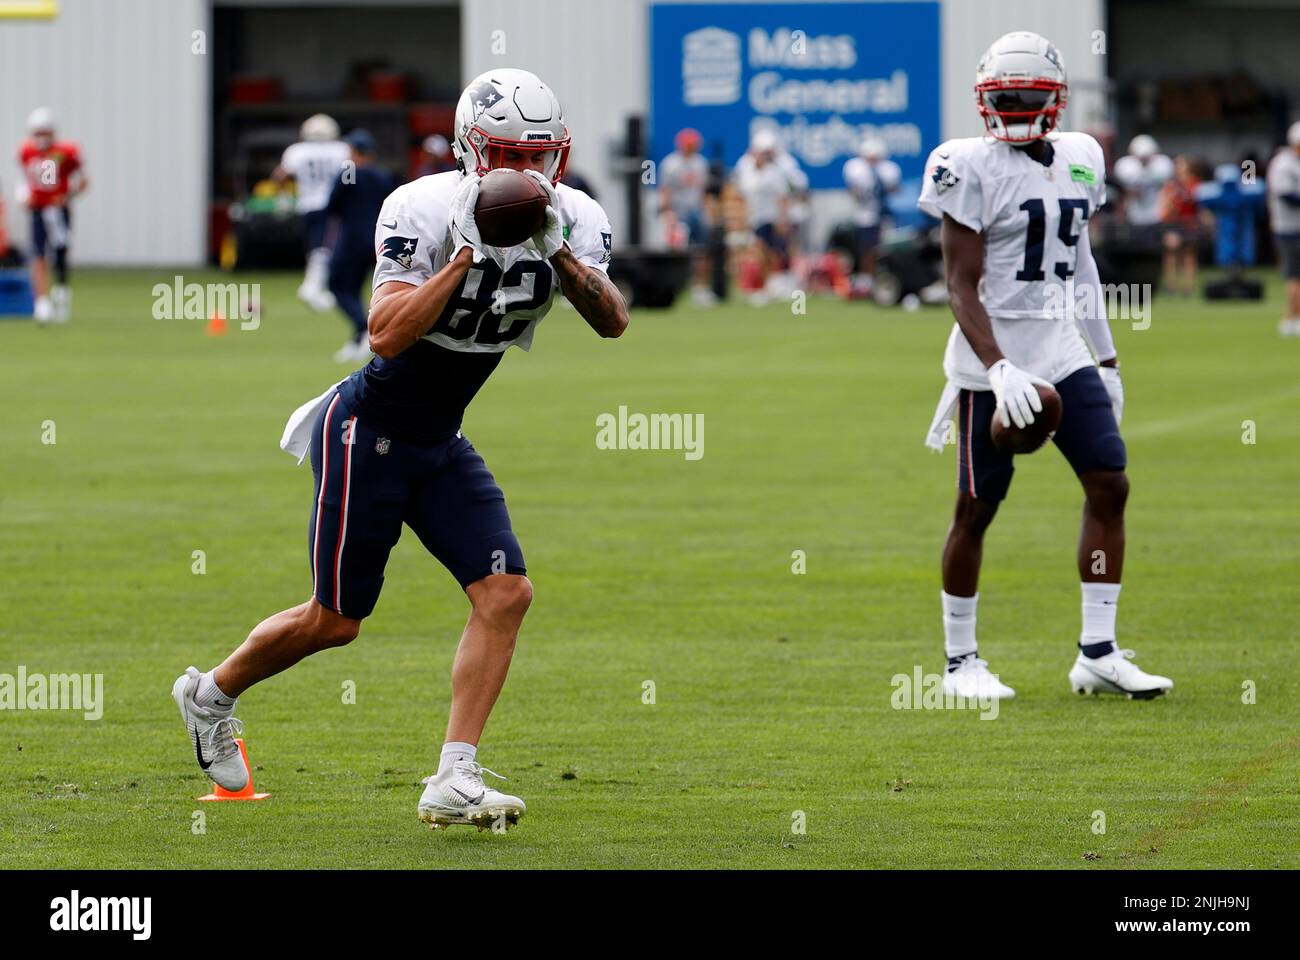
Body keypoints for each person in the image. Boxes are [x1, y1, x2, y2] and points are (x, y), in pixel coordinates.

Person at [172, 69, 628, 831]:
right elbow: (384, 334)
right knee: (335, 621)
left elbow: (612, 322)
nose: (528, 173)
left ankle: (454, 775)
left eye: (539, 155)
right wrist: (464, 256)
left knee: (506, 592)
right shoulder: (421, 207)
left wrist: (562, 258)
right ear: (472, 150)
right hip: (368, 431)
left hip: (441, 437)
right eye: (510, 155)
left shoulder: (574, 216)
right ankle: (210, 695)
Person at [918, 31, 1172, 702]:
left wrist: (1108, 357)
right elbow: (960, 286)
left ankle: (1097, 651)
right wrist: (998, 367)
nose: (1017, 106)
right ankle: (958, 663)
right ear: (983, 102)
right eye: (1006, 97)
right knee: (976, 509)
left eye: (1029, 95)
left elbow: (1080, 265)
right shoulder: (964, 164)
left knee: (1110, 484)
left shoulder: (1082, 157)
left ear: (1056, 101)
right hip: (987, 361)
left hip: (1060, 349)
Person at [325, 129, 395, 363]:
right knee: (357, 289)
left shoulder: (349, 172)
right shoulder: (381, 176)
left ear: (355, 151)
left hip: (351, 240)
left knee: (337, 285)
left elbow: (332, 204)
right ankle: (358, 337)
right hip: (377, 239)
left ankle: (363, 328)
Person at [276, 114, 351, 311]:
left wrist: (283, 197)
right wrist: (348, 195)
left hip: (307, 205)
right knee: (325, 249)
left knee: (316, 248)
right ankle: (312, 287)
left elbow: (280, 175)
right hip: (330, 205)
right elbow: (350, 176)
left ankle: (316, 287)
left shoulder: (296, 151)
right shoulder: (342, 150)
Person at [18, 107, 86, 324]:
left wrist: (67, 196)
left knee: (60, 254)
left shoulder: (65, 152)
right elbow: (25, 181)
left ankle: (62, 293)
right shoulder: (27, 152)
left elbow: (82, 180)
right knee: (38, 254)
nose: (41, 138)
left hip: (58, 210)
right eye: (37, 133)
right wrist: (24, 197)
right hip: (38, 210)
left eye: (44, 132)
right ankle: (42, 302)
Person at [732, 129, 796, 305]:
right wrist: (742, 218)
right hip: (755, 219)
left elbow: (782, 197)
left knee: (771, 254)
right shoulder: (747, 172)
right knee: (759, 252)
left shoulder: (774, 173)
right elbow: (742, 196)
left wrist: (783, 219)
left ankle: (770, 285)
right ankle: (761, 287)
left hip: (771, 218)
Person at [658, 128, 713, 303]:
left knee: (702, 250)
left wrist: (707, 211)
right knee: (677, 251)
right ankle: (675, 286)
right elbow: (665, 190)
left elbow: (703, 191)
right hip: (678, 211)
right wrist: (668, 213)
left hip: (696, 211)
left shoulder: (701, 164)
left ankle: (700, 288)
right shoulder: (670, 164)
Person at [842, 136, 901, 288]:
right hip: (865, 214)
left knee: (886, 247)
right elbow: (854, 191)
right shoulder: (856, 168)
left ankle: (885, 276)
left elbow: (895, 191)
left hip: (886, 214)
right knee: (867, 248)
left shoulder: (888, 169)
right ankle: (866, 278)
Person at [1266, 121, 1300, 337]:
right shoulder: (1283, 163)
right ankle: (1292, 318)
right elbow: (1286, 195)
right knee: (1294, 276)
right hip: (1289, 228)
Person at [1158, 155, 1203, 295]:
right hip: (1173, 223)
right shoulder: (1171, 186)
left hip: (1189, 224)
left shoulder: (1195, 185)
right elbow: (1165, 206)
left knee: (1188, 255)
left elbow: (1199, 206)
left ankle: (1188, 287)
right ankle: (1171, 285)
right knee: (1171, 253)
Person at [1113, 134, 1174, 237]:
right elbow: (1123, 190)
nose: (1144, 160)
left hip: (1157, 213)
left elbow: (1168, 187)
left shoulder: (1163, 164)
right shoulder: (1124, 166)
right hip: (1133, 213)